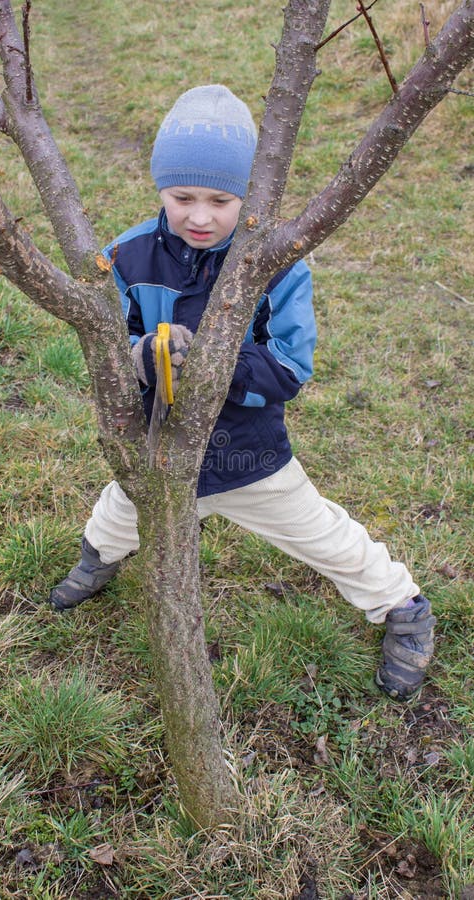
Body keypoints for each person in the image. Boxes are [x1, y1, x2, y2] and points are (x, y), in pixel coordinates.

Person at [48, 85, 435, 701]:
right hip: (159, 447)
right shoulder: (124, 257)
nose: (200, 216)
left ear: (249, 196)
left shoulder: (277, 265)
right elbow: (106, 344)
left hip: (247, 452)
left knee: (321, 535)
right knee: (121, 510)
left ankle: (403, 607)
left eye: (220, 200)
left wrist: (208, 354)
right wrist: (141, 356)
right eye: (182, 198)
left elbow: (289, 369)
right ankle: (98, 558)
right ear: (160, 191)